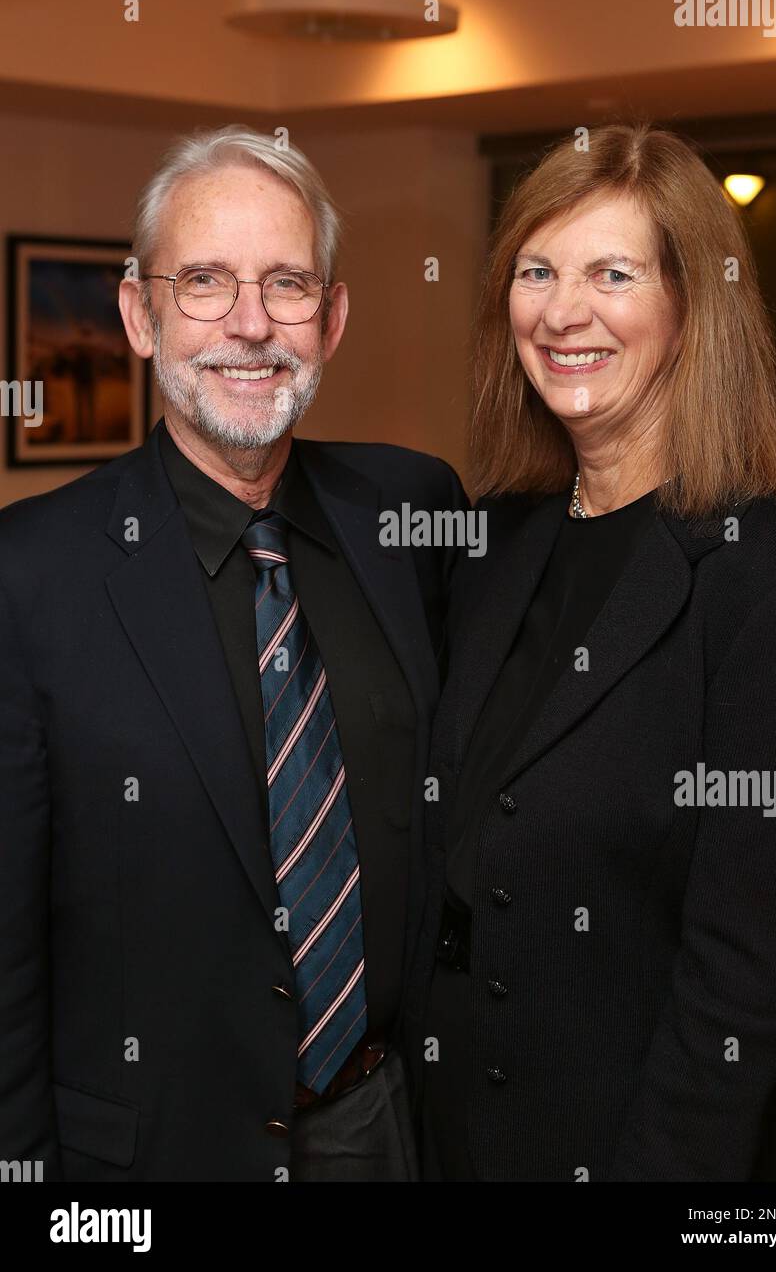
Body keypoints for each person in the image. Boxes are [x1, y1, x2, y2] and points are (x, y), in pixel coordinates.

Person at [0, 125, 466, 1182]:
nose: (250, 326)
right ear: (138, 313)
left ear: (332, 316)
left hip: (383, 1127)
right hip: (145, 1161)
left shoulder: (413, 512)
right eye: (204, 281)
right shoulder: (27, 578)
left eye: (287, 284)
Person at [405, 123, 776, 1182]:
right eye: (536, 271)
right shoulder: (497, 536)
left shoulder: (770, 587)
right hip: (438, 1133)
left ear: (690, 306)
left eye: (610, 273)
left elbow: (737, 986)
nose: (563, 312)